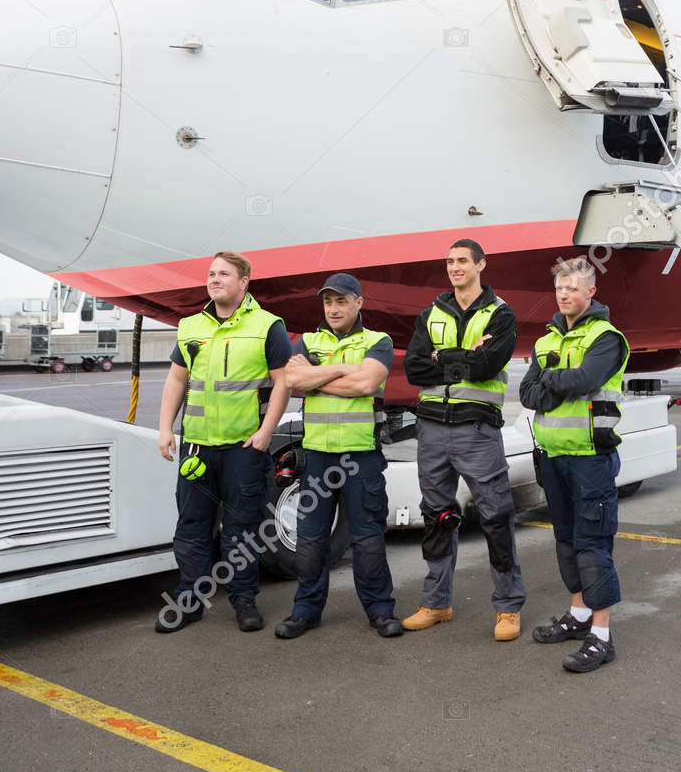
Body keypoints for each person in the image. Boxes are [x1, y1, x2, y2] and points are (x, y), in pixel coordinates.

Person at [155, 251, 291, 633]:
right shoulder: (189, 326)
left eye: (224, 274)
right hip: (197, 446)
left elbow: (283, 381)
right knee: (192, 526)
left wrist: (266, 432)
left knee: (241, 528)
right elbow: (177, 380)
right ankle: (189, 601)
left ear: (244, 282)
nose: (215, 279)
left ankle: (244, 600)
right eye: (211, 273)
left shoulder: (267, 326)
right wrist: (166, 429)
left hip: (243, 448)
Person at [401, 239, 525, 640]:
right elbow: (415, 370)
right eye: (450, 261)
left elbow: (489, 363)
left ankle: (508, 608)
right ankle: (436, 603)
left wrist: (442, 358)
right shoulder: (430, 313)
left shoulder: (500, 315)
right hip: (432, 428)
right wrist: (460, 359)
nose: (455, 267)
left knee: (495, 517)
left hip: (477, 429)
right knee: (437, 516)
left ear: (480, 265)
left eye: (462, 261)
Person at [275, 273, 403, 640]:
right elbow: (292, 381)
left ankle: (380, 611)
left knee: (368, 540)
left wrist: (316, 373)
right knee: (311, 540)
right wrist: (344, 368)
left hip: (360, 457)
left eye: (342, 301)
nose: (333, 308)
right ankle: (305, 611)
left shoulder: (378, 341)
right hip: (317, 457)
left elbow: (366, 384)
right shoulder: (306, 340)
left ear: (358, 303)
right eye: (328, 301)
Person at [518, 256, 629, 673]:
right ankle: (579, 614)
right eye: (560, 288)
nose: (565, 295)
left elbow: (584, 382)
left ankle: (601, 636)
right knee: (566, 541)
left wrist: (550, 382)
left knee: (593, 546)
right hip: (552, 457)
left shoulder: (606, 337)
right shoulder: (546, 340)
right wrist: (554, 384)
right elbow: (528, 393)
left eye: (573, 288)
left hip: (589, 460)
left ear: (590, 292)